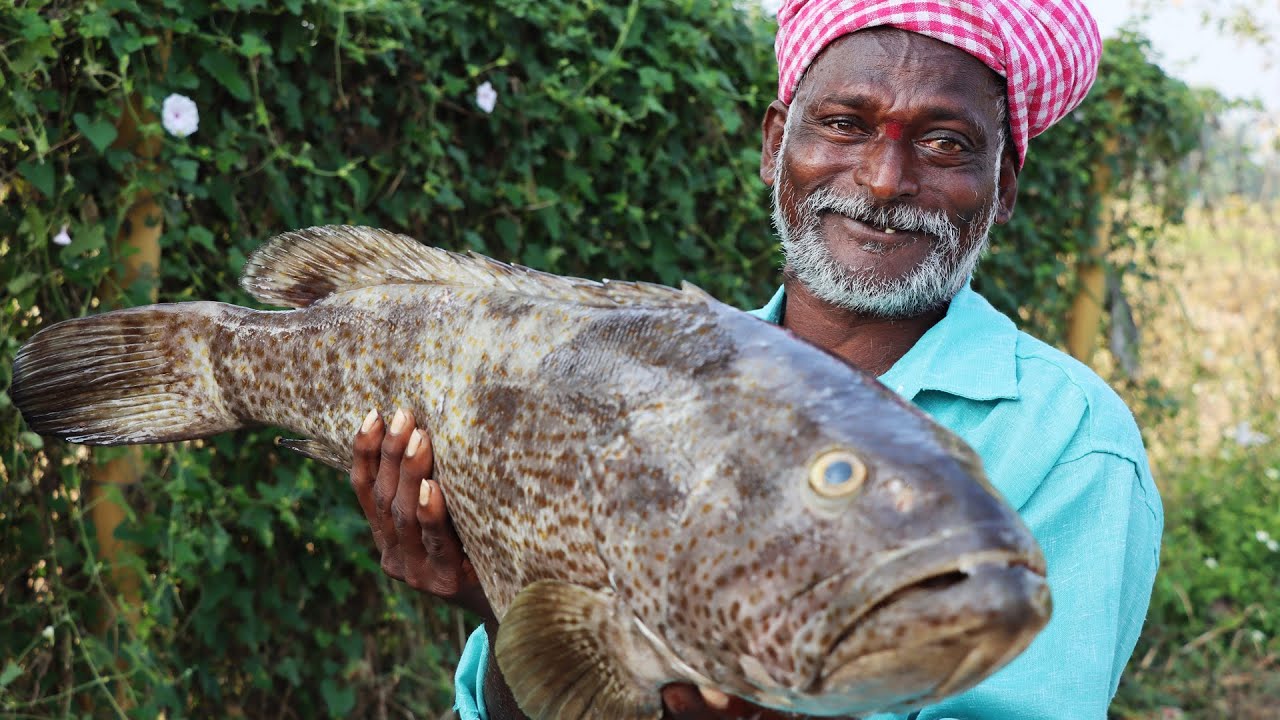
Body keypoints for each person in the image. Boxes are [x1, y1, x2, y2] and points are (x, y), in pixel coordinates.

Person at [349, 1, 1164, 718]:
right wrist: (494, 598)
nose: (883, 181)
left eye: (946, 143)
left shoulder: (1071, 441)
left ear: (1004, 186)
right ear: (777, 146)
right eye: (845, 123)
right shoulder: (648, 375)